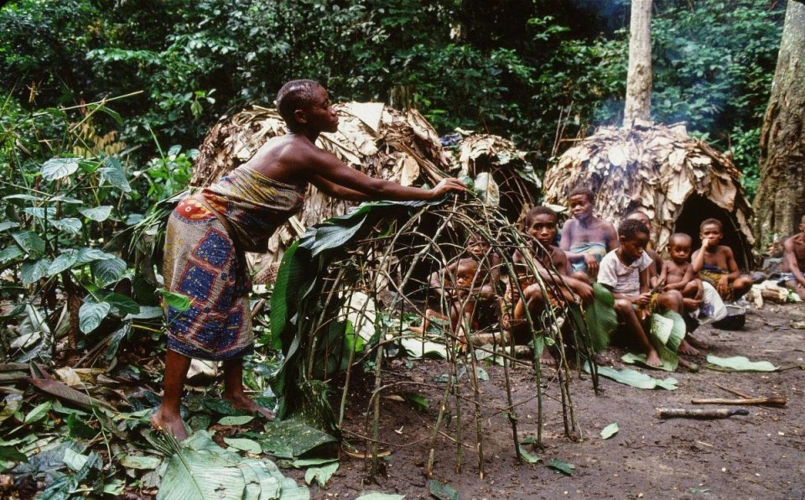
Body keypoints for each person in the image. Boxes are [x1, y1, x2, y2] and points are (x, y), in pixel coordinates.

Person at [151, 79, 465, 440]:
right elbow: (373, 185)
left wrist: (396, 202)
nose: (334, 110)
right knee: (198, 310)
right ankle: (167, 411)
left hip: (219, 229)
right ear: (303, 116)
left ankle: (235, 395)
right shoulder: (297, 149)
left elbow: (338, 188)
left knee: (234, 304)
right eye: (326, 104)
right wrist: (429, 192)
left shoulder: (301, 150)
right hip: (203, 225)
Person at [597, 219, 699, 368]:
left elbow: (644, 284)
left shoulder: (641, 255)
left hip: (638, 300)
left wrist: (644, 303)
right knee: (625, 305)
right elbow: (605, 294)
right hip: (619, 303)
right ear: (623, 240)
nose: (640, 250)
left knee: (674, 296)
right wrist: (634, 299)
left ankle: (674, 343)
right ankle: (649, 349)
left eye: (643, 246)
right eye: (637, 246)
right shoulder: (610, 261)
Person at [505, 207, 594, 357]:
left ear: (556, 229)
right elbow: (540, 273)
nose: (545, 232)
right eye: (538, 227)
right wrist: (576, 288)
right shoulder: (522, 251)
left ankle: (568, 334)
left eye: (550, 226)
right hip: (517, 315)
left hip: (546, 310)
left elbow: (560, 290)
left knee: (581, 277)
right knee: (537, 290)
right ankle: (540, 342)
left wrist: (579, 291)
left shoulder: (558, 254)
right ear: (527, 230)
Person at [560, 187, 619, 280]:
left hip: (600, 281)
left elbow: (616, 258)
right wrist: (584, 255)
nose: (577, 208)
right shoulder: (569, 225)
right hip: (573, 280)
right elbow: (561, 255)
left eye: (581, 203)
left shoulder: (606, 227)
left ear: (593, 203)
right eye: (573, 205)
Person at [691, 218, 752, 302]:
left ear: (721, 235)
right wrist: (703, 247)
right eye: (707, 233)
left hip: (725, 287)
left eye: (715, 233)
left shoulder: (726, 251)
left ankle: (730, 300)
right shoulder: (697, 254)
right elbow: (694, 270)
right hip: (707, 289)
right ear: (701, 236)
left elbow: (736, 272)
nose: (711, 236)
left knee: (746, 281)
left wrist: (725, 277)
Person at [658, 233, 703, 312]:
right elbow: (662, 277)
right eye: (678, 250)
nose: (682, 253)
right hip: (667, 290)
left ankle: (678, 297)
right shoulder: (666, 264)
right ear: (669, 250)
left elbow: (685, 281)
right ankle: (673, 297)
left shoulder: (688, 266)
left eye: (686, 251)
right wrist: (660, 284)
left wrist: (673, 286)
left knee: (694, 284)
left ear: (690, 251)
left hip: (682, 291)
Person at [625, 211, 662, 278]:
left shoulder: (652, 254)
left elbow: (669, 275)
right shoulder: (620, 256)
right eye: (633, 224)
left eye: (643, 223)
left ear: (651, 228)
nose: (639, 226)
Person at [781, 214, 805, 300]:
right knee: (803, 294)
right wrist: (802, 281)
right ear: (801, 227)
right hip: (791, 275)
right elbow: (793, 266)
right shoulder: (791, 243)